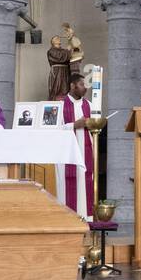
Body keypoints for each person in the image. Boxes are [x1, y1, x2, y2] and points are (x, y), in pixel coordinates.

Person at [58, 73, 95, 219]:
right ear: (73, 86)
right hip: (67, 152)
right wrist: (74, 125)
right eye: (82, 85)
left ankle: (86, 218)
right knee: (69, 181)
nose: (85, 88)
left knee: (86, 180)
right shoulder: (60, 105)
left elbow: (94, 127)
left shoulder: (89, 105)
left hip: (85, 148)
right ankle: (68, 218)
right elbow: (55, 129)